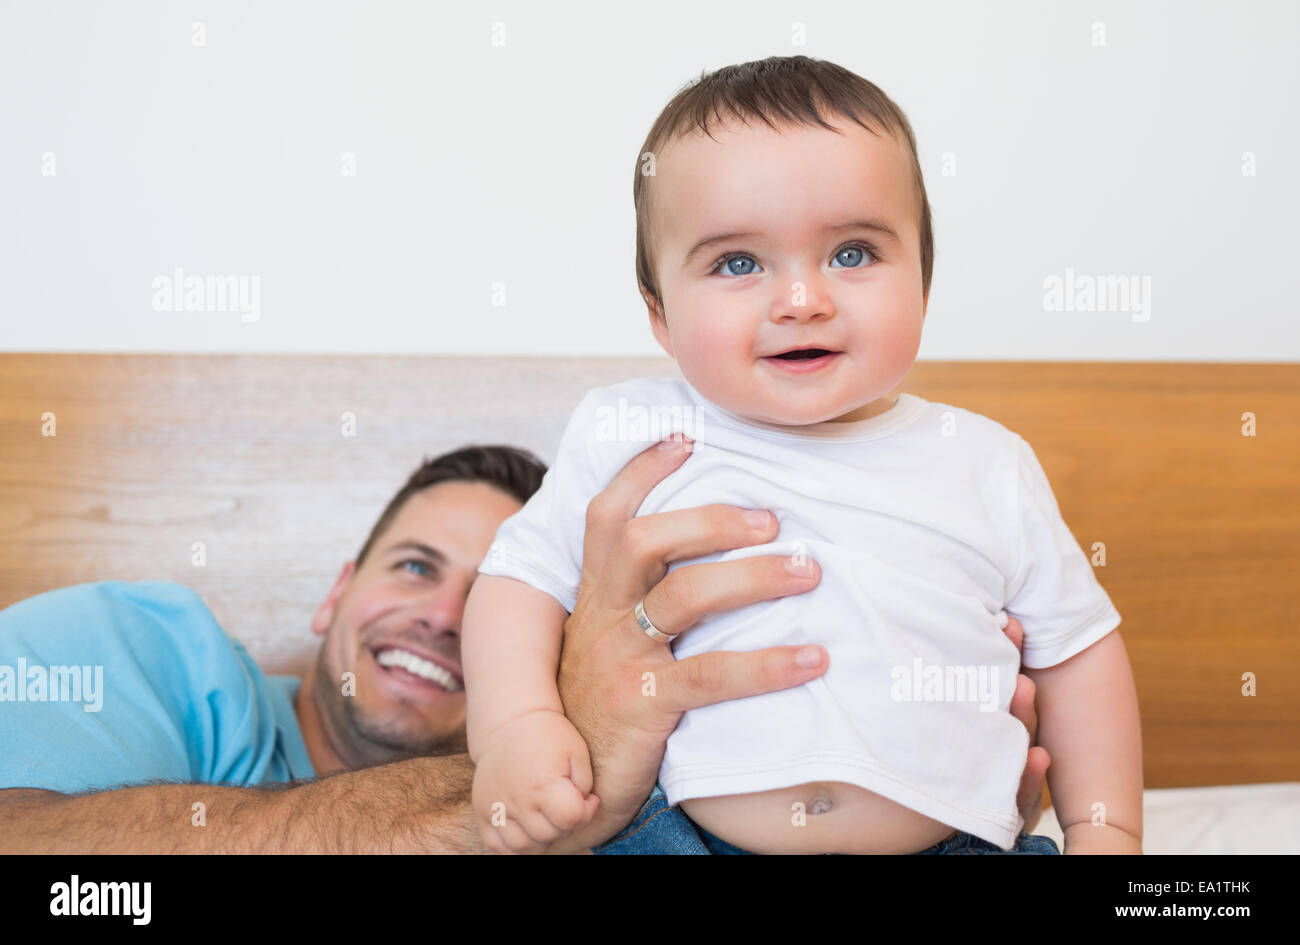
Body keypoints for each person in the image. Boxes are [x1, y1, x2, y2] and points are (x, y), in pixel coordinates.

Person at [465, 56, 1143, 855]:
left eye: (852, 253)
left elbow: (1080, 651)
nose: (801, 301)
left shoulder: (985, 461)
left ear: (923, 281)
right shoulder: (632, 430)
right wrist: (517, 727)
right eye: (738, 263)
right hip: (678, 836)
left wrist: (1106, 827)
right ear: (660, 315)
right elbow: (517, 582)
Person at [0, 440, 1054, 853]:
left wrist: (915, 808)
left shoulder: (634, 814)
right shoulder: (144, 650)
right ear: (335, 593)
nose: (444, 616)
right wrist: (482, 811)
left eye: (496, 601)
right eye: (415, 567)